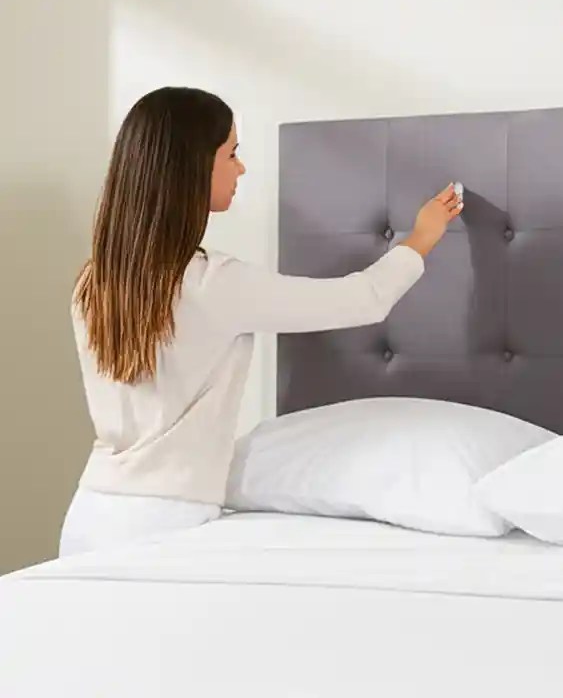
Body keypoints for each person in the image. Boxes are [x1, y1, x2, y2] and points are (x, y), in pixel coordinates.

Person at [59, 87, 461, 557]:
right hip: (165, 523)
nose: (241, 167)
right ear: (193, 167)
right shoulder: (213, 284)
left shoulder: (94, 281)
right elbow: (363, 299)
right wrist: (421, 239)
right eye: (231, 153)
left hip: (90, 517)